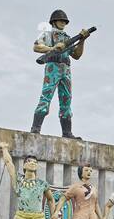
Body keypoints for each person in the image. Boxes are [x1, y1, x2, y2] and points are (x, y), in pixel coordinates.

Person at [30, 9, 91, 139]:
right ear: (54, 21)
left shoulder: (67, 38)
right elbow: (36, 47)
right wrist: (52, 48)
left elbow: (77, 55)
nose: (63, 23)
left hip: (66, 69)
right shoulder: (48, 35)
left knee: (66, 100)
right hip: (53, 67)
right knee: (46, 96)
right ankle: (35, 129)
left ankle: (67, 132)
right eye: (60, 20)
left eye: (64, 21)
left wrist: (82, 40)